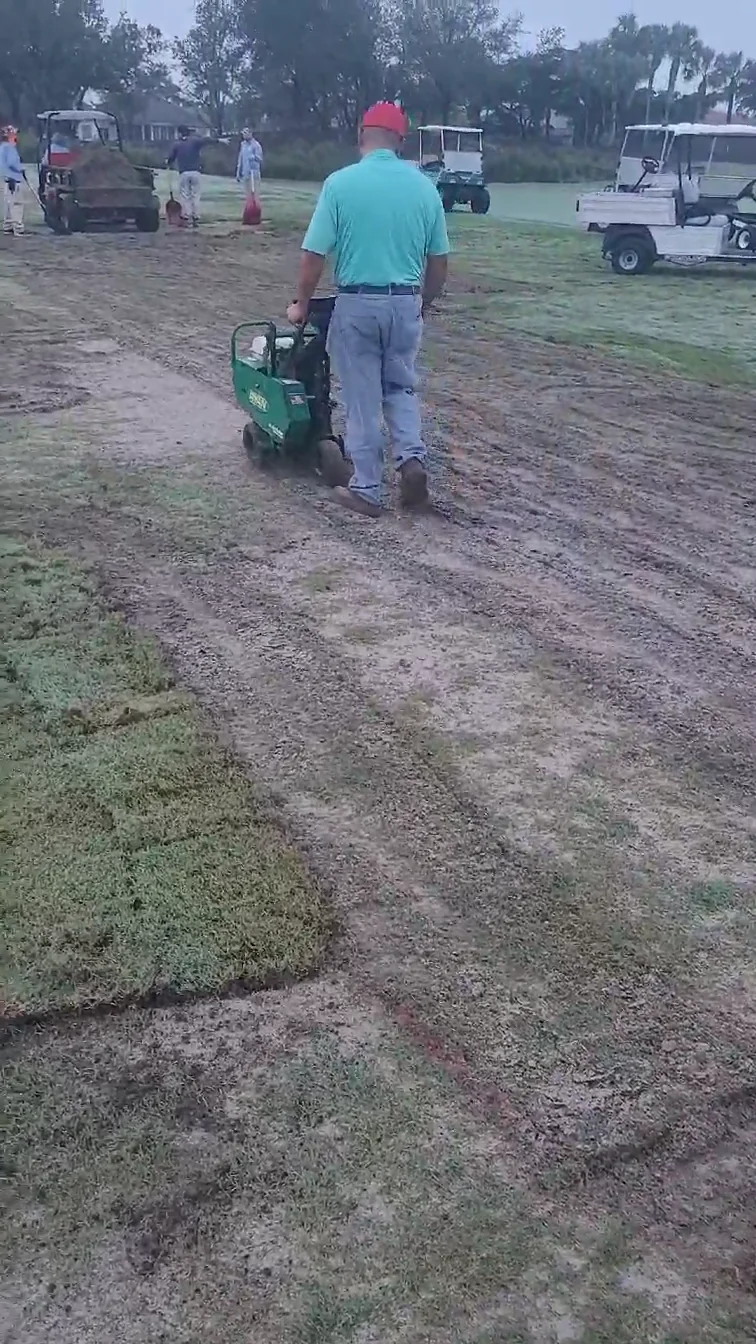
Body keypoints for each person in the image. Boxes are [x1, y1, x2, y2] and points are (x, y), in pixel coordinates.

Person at [287, 102, 449, 517]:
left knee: (361, 396)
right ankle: (411, 461)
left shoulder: (341, 185)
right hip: (405, 300)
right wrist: (423, 302)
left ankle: (368, 489)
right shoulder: (425, 188)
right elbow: (439, 262)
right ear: (400, 140)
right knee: (400, 387)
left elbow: (313, 254)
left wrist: (301, 304)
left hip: (358, 302)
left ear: (362, 135)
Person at [166, 125, 215, 228]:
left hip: (184, 173)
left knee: (185, 196)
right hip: (196, 172)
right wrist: (219, 140)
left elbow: (171, 158)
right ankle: (196, 216)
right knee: (195, 195)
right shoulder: (194, 142)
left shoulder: (177, 144)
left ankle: (186, 215)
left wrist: (168, 162)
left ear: (179, 133)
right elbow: (206, 140)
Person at [0, 125, 24, 237]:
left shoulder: (2, 147)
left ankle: (7, 227)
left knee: (8, 204)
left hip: (6, 178)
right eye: (14, 133)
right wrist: (21, 169)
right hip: (14, 179)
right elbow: (11, 162)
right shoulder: (10, 147)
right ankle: (18, 228)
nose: (16, 135)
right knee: (16, 204)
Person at [237, 128, 263, 203]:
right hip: (245, 173)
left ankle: (256, 209)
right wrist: (238, 172)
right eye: (243, 134)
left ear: (250, 134)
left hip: (253, 173)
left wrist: (254, 157)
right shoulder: (243, 144)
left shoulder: (256, 145)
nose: (244, 135)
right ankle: (249, 209)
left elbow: (260, 158)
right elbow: (240, 158)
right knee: (247, 194)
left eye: (245, 133)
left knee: (255, 193)